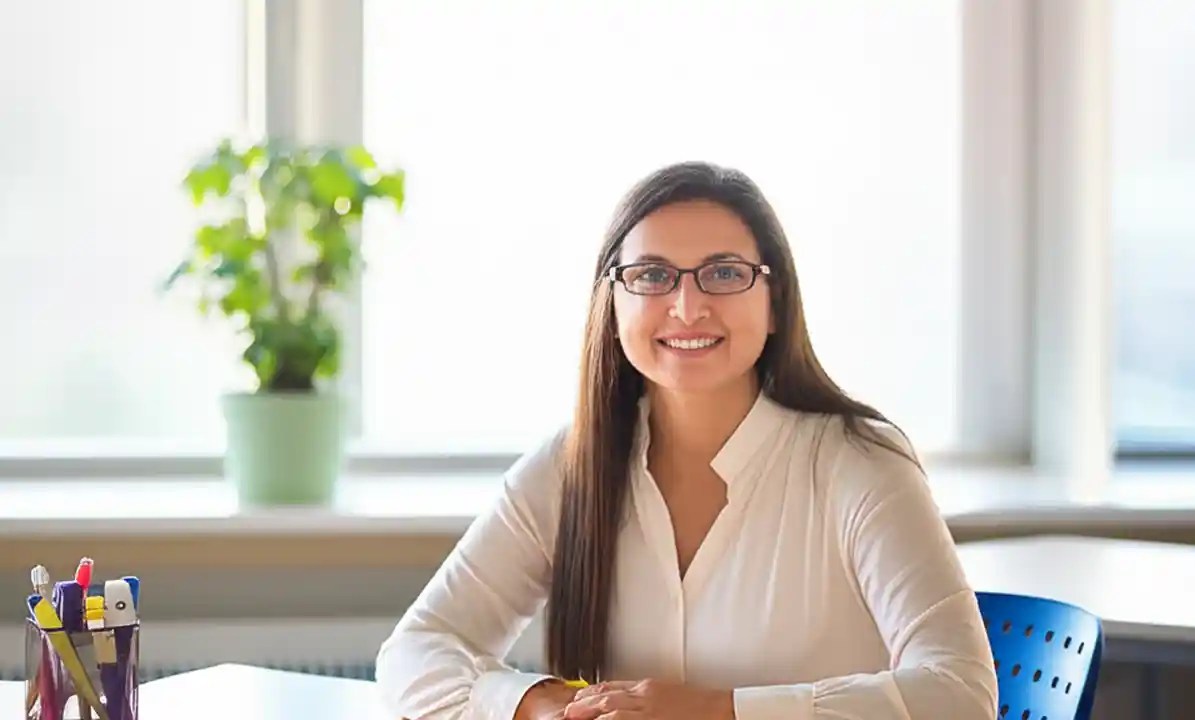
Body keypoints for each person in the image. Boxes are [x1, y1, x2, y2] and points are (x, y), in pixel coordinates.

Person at [376, 162, 997, 720]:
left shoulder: (861, 463)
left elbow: (960, 694)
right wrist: (538, 705)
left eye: (724, 273)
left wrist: (720, 713)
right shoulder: (572, 465)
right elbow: (415, 652)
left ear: (775, 302)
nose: (687, 306)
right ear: (612, 303)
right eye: (652, 276)